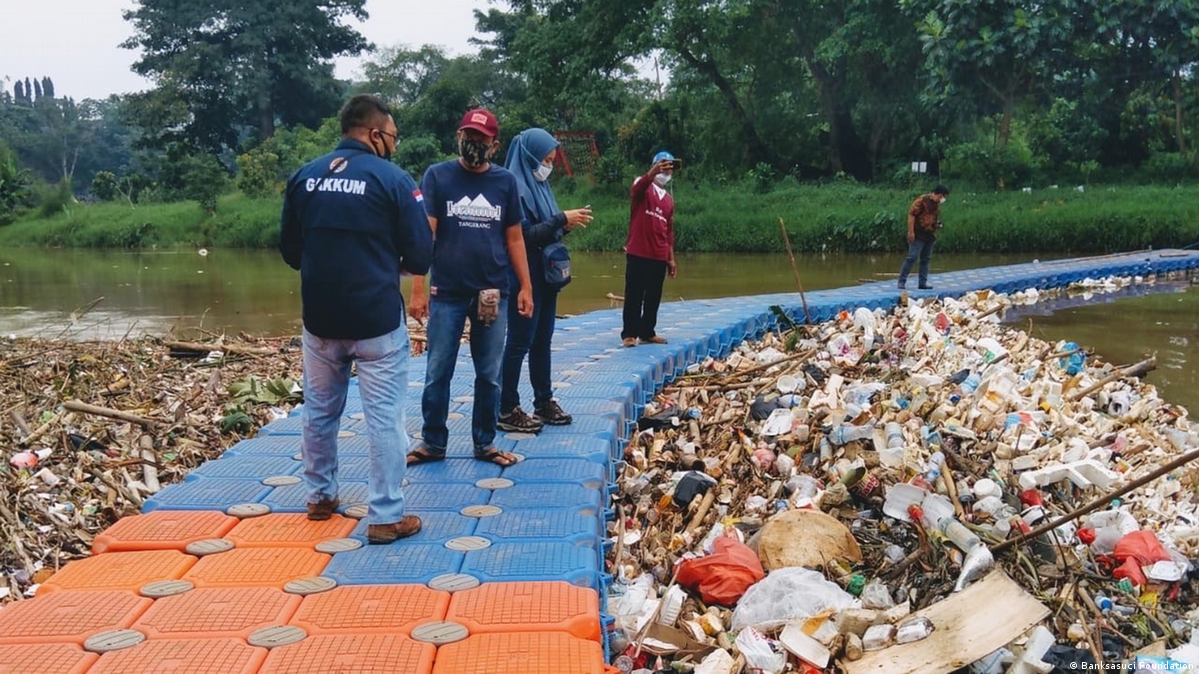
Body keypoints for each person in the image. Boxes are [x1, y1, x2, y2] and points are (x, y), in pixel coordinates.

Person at [279, 94, 432, 544]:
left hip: (320, 320)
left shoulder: (304, 177)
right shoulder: (394, 180)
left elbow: (291, 251)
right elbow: (422, 253)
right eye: (393, 136)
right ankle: (385, 516)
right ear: (374, 133)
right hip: (376, 322)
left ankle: (319, 495)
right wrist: (389, 263)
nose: (394, 144)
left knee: (320, 410)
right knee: (384, 418)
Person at [407, 108, 533, 468]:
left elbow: (514, 238)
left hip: (493, 293)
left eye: (481, 139)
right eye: (468, 136)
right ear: (458, 136)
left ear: (494, 145)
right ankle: (433, 441)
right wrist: (418, 288)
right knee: (437, 371)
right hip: (447, 293)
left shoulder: (505, 182)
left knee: (489, 374)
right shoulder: (438, 176)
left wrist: (526, 287)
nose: (473, 144)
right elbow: (425, 235)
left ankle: (485, 442)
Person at [497, 128, 592, 433]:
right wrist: (561, 219)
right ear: (529, 157)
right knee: (519, 341)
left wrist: (566, 224)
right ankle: (507, 407)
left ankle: (543, 401)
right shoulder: (512, 187)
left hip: (546, 274)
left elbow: (546, 231)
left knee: (543, 340)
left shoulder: (541, 188)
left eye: (551, 160)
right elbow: (522, 236)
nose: (548, 166)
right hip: (523, 273)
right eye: (546, 160)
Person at [622, 151, 677, 348]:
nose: (666, 170)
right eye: (663, 165)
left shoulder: (669, 200)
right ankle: (629, 333)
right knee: (634, 295)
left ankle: (647, 332)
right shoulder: (643, 185)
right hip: (638, 251)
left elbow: (669, 231)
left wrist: (671, 259)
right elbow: (637, 190)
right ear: (655, 166)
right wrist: (652, 172)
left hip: (659, 254)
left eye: (669, 167)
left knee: (654, 296)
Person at [898, 184, 950, 290]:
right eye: (941, 196)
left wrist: (937, 225)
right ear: (936, 194)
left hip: (928, 234)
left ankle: (922, 282)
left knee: (925, 259)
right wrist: (911, 232)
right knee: (912, 257)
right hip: (918, 233)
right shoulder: (921, 201)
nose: (941, 199)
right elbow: (911, 214)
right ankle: (901, 281)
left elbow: (933, 219)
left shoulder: (936, 205)